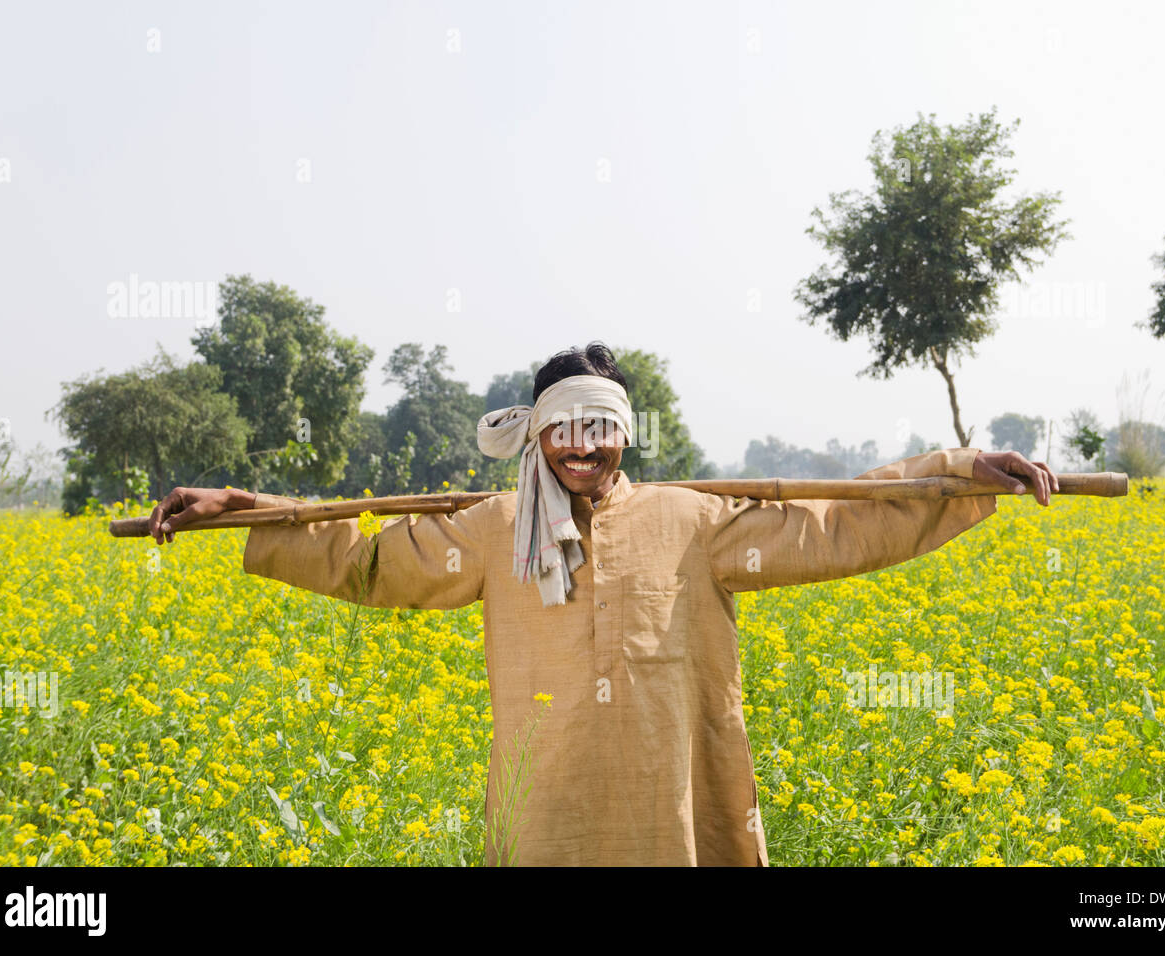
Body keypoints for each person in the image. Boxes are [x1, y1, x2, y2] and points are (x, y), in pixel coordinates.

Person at [148, 341, 1058, 865]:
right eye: (565, 431)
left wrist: (959, 470)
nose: (583, 450)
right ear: (539, 436)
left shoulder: (694, 520)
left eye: (601, 430)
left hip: (674, 810)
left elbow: (835, 525)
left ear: (623, 433)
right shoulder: (492, 525)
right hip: (549, 817)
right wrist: (241, 508)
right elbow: (367, 563)